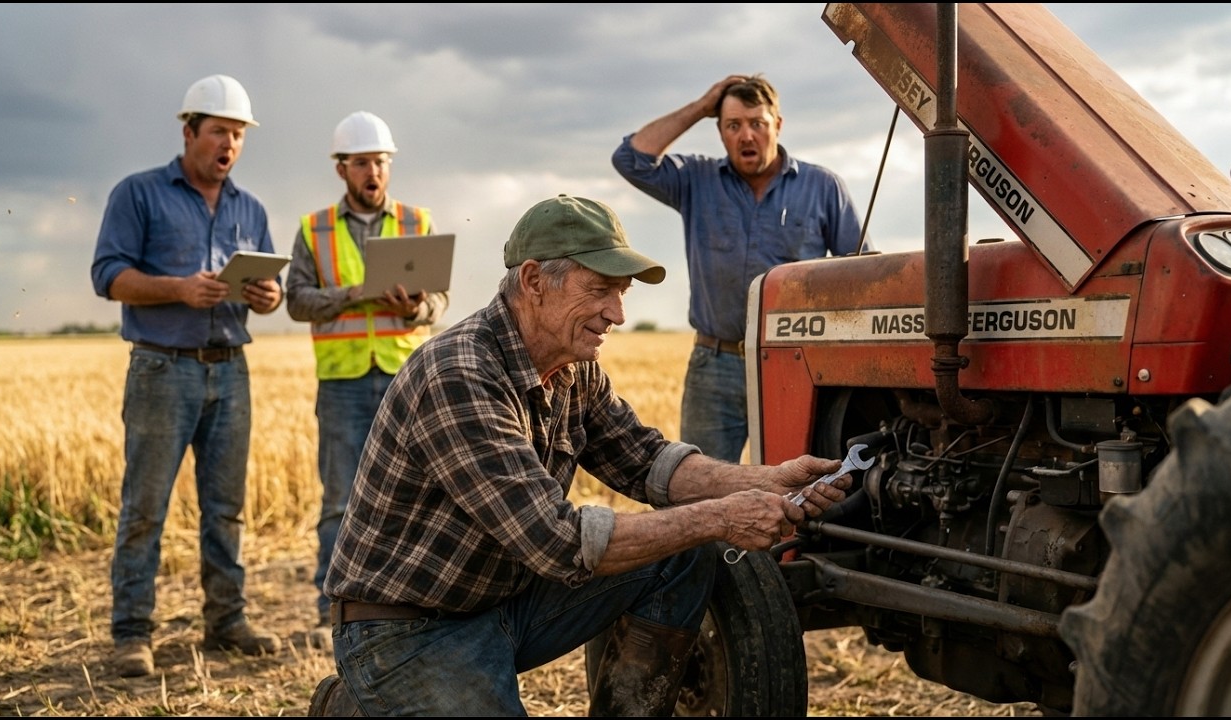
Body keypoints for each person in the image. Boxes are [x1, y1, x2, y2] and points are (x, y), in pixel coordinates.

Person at [305, 194, 852, 716]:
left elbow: (647, 461)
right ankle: (357, 703)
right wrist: (721, 517)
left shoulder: (573, 366)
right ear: (534, 281)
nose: (615, 313)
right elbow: (557, 542)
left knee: (685, 553)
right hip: (407, 628)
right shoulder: (459, 375)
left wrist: (766, 479)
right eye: (599, 291)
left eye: (622, 293)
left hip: (504, 601)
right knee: (696, 532)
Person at [90, 73, 284, 678]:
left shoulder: (249, 207)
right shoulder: (139, 194)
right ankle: (132, 634)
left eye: (238, 135)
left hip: (231, 370)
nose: (228, 144)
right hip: (160, 368)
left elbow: (271, 295)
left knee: (226, 509)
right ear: (189, 131)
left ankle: (226, 621)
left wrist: (266, 294)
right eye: (218, 132)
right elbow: (107, 274)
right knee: (144, 507)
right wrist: (177, 289)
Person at [612, 73, 870, 463]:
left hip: (796, 367)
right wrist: (702, 105)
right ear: (720, 132)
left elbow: (862, 273)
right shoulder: (696, 181)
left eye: (757, 124)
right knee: (701, 490)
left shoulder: (823, 187)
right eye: (733, 125)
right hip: (715, 367)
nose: (746, 136)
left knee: (797, 491)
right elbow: (630, 159)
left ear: (777, 125)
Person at [285, 110, 449, 652]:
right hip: (343, 381)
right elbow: (298, 301)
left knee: (417, 495)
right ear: (342, 170)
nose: (373, 171)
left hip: (406, 380)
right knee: (340, 498)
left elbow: (440, 302)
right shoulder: (314, 230)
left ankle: (409, 603)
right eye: (361, 163)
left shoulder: (416, 221)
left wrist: (419, 307)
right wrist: (353, 294)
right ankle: (330, 608)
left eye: (380, 161)